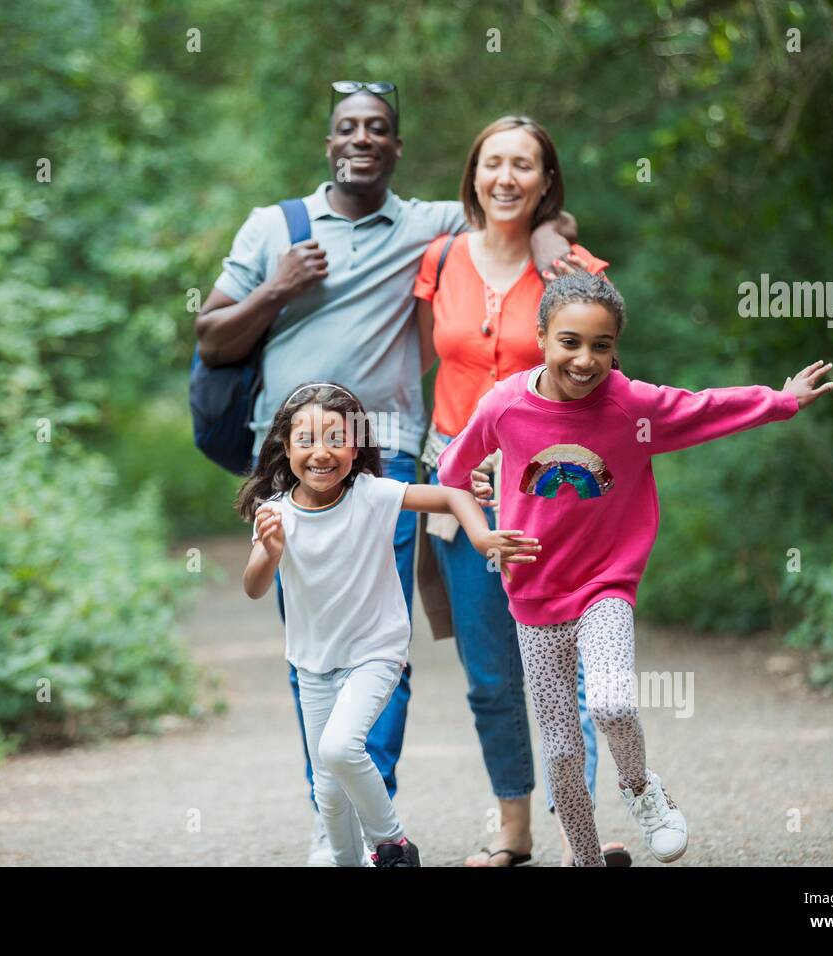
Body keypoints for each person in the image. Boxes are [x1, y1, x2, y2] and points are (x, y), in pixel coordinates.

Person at [195, 81, 570, 863]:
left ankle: (373, 827)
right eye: (346, 128)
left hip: (388, 451)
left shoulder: (429, 226)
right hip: (289, 459)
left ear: (396, 149)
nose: (361, 138)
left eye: (378, 129)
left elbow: (526, 218)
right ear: (328, 143)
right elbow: (211, 339)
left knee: (379, 646)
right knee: (314, 647)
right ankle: (331, 814)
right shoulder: (276, 226)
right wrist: (279, 287)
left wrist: (552, 249)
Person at [438, 270, 833, 865]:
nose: (585, 359)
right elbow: (450, 469)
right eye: (570, 341)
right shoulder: (504, 405)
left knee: (612, 703)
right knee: (563, 751)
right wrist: (480, 525)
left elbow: (703, 409)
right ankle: (588, 857)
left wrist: (780, 401)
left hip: (605, 584)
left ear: (615, 347)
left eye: (601, 345)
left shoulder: (629, 404)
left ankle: (642, 789)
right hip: (534, 596)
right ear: (541, 336)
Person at [413, 115, 625, 867]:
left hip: (557, 490)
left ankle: (584, 832)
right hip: (464, 486)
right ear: (472, 176)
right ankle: (512, 825)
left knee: (569, 670)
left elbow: (607, 378)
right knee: (493, 672)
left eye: (524, 165)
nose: (506, 178)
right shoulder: (438, 260)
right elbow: (414, 365)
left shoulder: (574, 270)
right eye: (493, 163)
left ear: (545, 182)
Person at [238, 382, 539, 867]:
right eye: (306, 440)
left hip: (375, 653)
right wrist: (268, 554)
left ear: (356, 447)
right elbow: (253, 587)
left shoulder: (372, 494)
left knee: (340, 747)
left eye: (336, 439)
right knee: (327, 789)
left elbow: (450, 496)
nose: (321, 452)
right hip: (314, 664)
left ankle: (392, 843)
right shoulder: (274, 513)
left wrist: (482, 537)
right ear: (285, 447)